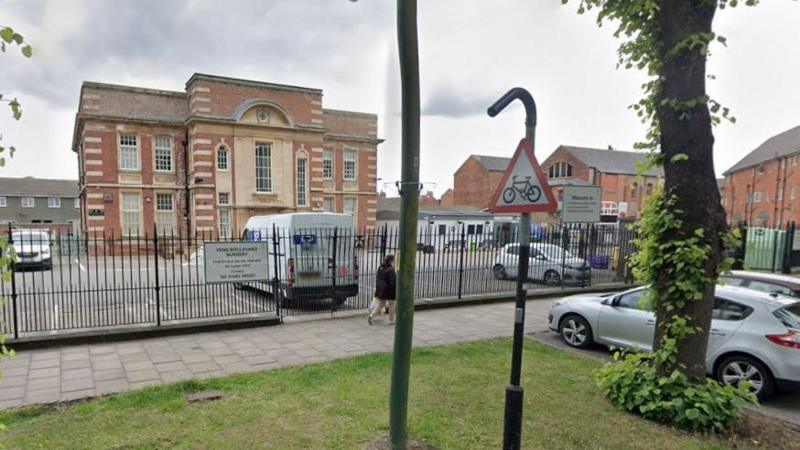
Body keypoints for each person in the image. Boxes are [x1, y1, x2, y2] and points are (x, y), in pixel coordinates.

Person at [368, 254, 396, 325]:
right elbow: (392, 282)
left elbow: (378, 277)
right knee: (391, 304)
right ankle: (391, 320)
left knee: (380, 304)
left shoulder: (380, 267)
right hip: (389, 290)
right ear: (391, 261)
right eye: (393, 260)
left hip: (381, 289)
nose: (394, 261)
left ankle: (371, 316)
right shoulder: (391, 269)